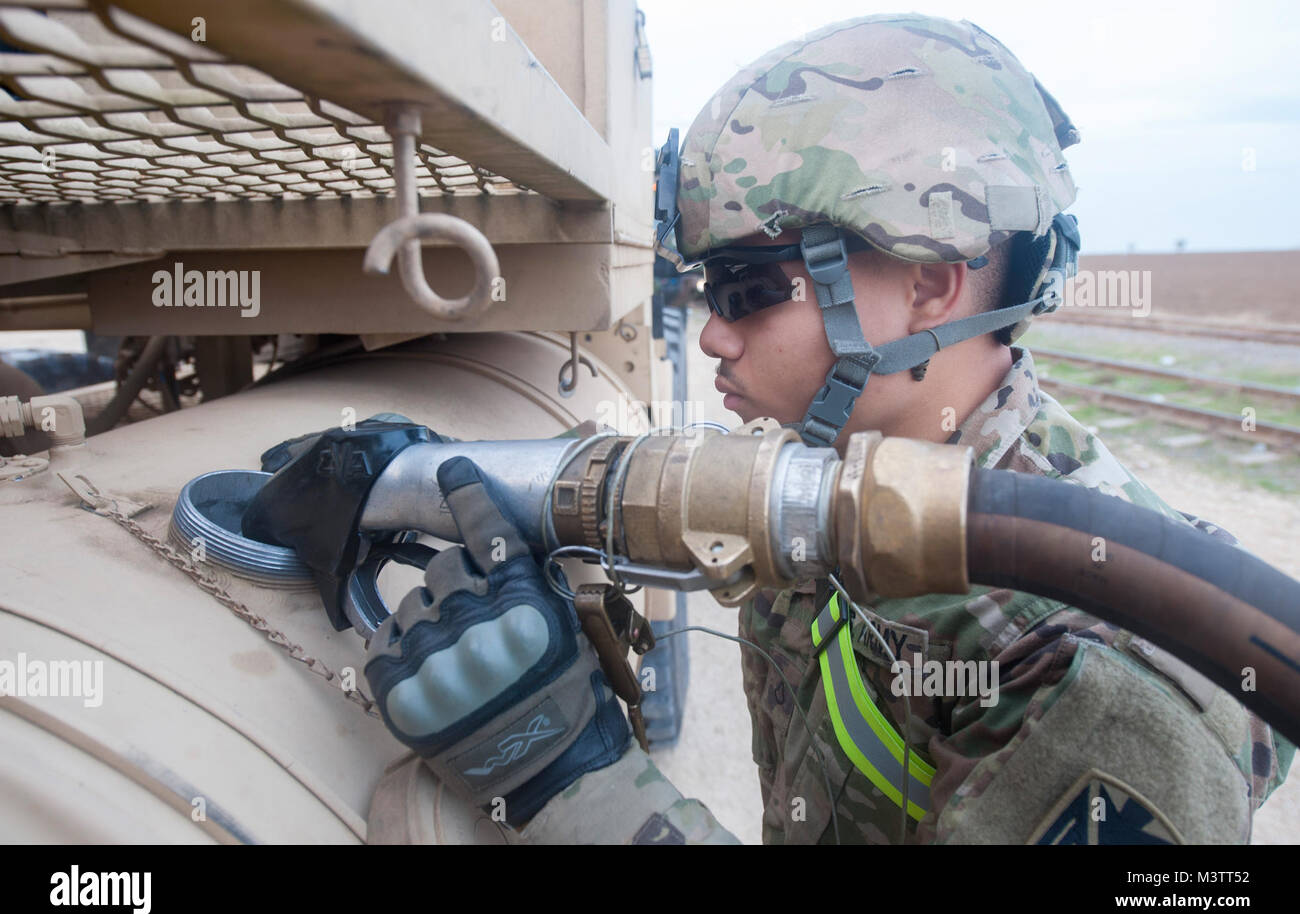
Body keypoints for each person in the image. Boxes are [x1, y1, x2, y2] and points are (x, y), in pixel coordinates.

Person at [362, 13, 1293, 844]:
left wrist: (564, 781)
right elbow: (658, 491)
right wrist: (418, 473)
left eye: (747, 290)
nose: (713, 333)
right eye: (704, 292)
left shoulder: (1092, 687)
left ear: (929, 283)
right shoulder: (831, 461)